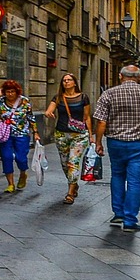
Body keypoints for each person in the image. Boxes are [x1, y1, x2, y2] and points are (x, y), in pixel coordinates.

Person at [93, 64, 140, 232]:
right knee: (135, 181)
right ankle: (130, 221)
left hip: (115, 142)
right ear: (139, 77)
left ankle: (118, 213)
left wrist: (98, 142)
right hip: (139, 144)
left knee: (117, 176)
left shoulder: (108, 93)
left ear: (120, 76)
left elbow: (101, 121)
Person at [44, 72, 93, 205]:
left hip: (79, 135)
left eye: (69, 80)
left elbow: (87, 116)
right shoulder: (58, 97)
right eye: (64, 80)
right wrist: (48, 113)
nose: (66, 82)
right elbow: (49, 110)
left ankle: (70, 193)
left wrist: (91, 135)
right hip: (61, 134)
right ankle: (74, 183)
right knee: (65, 164)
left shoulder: (83, 98)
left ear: (74, 82)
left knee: (73, 162)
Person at [0, 80, 40, 193]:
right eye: (7, 92)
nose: (10, 94)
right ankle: (10, 184)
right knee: (7, 157)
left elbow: (31, 118)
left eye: (12, 91)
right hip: (5, 134)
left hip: (22, 134)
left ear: (17, 92)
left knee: (21, 158)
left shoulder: (25, 101)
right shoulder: (1, 101)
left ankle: (23, 173)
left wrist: (35, 132)